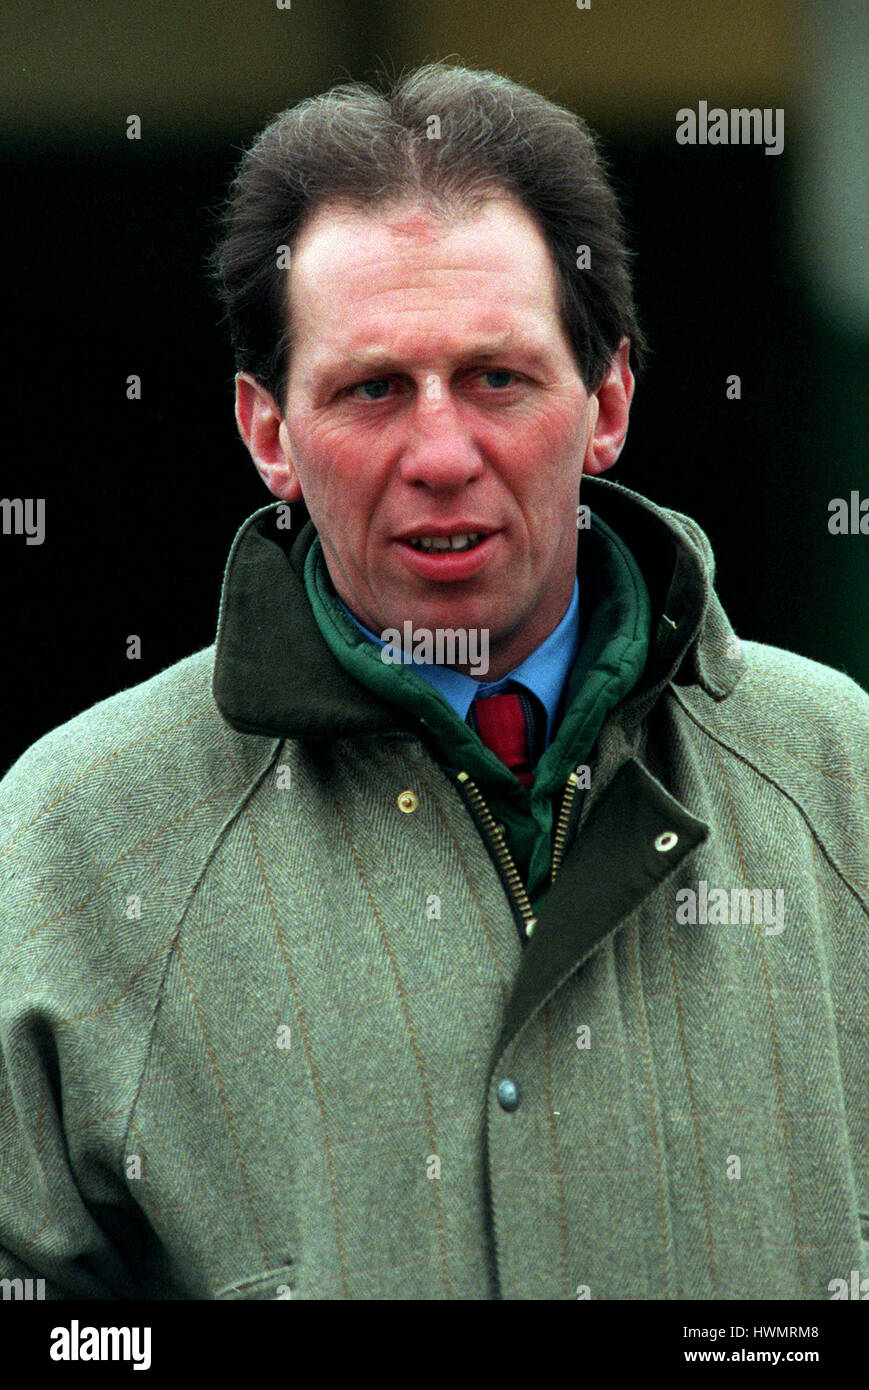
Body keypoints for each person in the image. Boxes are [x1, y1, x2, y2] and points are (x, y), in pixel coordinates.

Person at [1, 62, 867, 1303]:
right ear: (267, 433)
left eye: (494, 378)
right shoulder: (74, 846)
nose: (442, 453)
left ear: (607, 399)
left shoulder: (841, 782)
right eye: (371, 390)